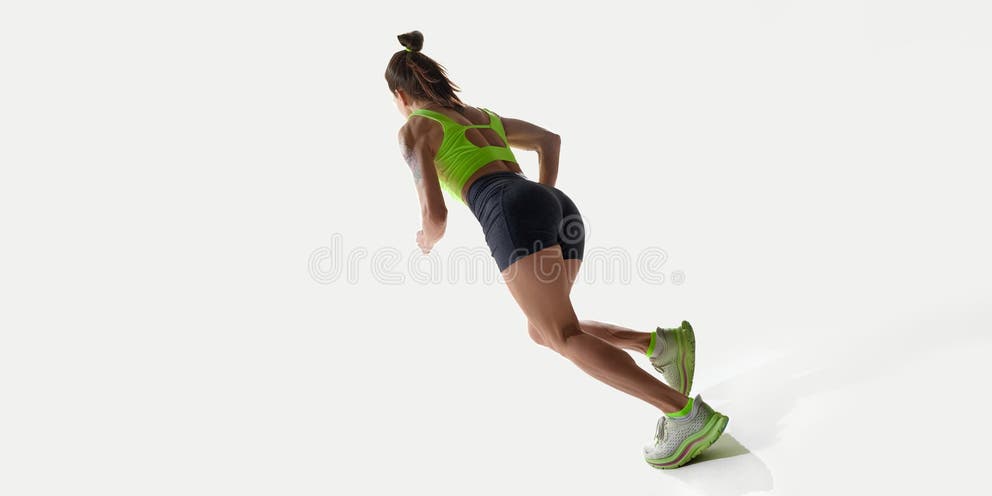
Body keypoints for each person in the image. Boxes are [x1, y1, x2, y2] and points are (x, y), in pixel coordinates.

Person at [384, 30, 729, 469]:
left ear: (400, 93)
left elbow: (435, 217)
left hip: (509, 209)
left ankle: (684, 415)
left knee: (559, 334)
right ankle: (659, 345)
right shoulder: (480, 115)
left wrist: (425, 241)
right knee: (542, 328)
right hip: (555, 207)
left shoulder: (415, 128)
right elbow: (550, 141)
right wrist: (539, 203)